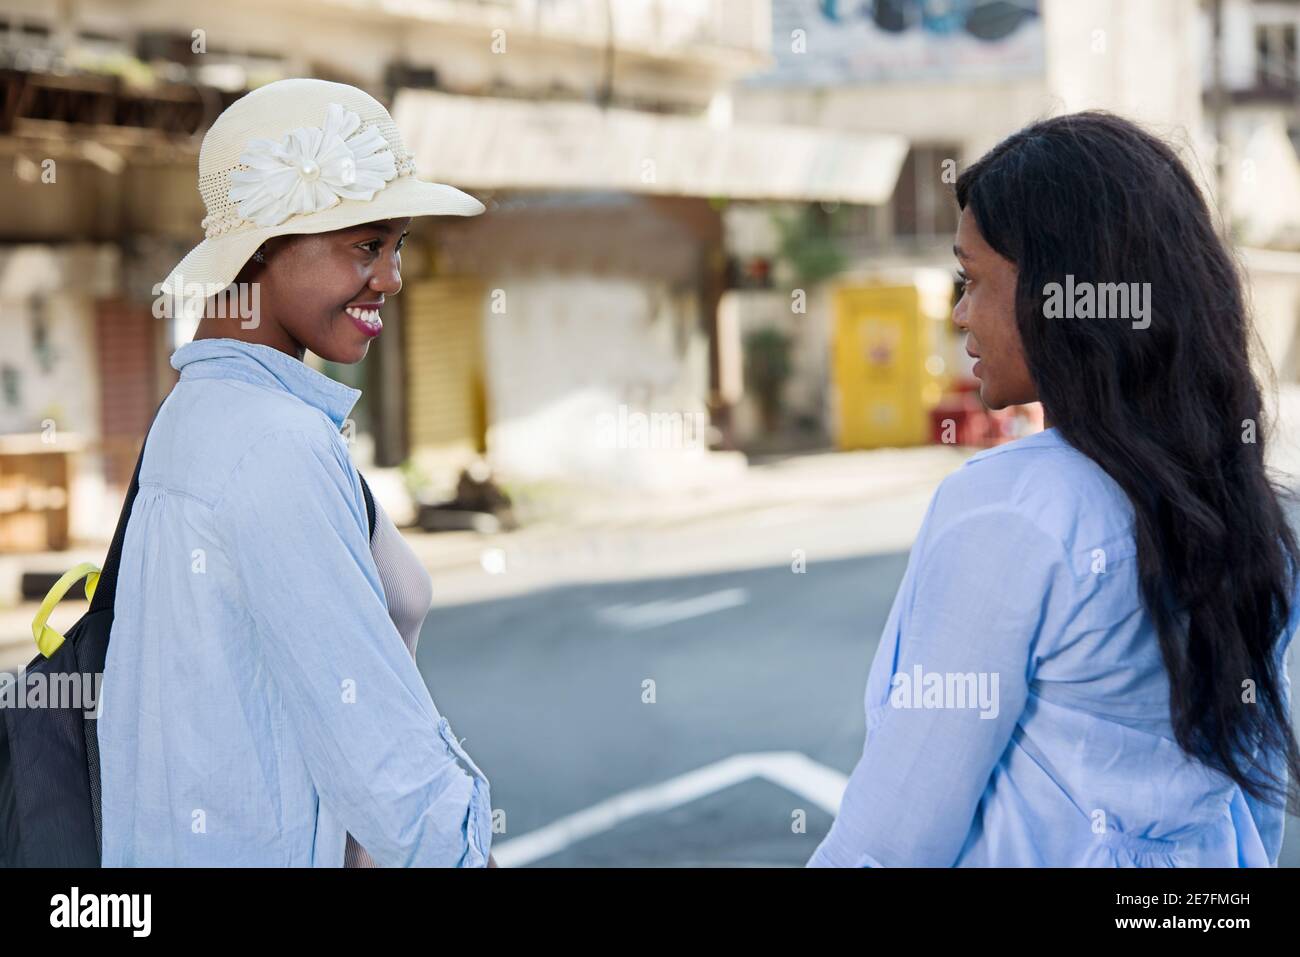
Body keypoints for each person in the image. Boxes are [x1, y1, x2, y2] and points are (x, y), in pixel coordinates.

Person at [809, 111, 1300, 867]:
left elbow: (891, 841)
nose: (959, 313)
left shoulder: (1013, 511)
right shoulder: (1244, 504)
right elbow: (1253, 802)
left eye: (972, 280)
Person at [98, 78, 496, 866]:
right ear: (263, 248)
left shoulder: (197, 411)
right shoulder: (274, 442)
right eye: (365, 245)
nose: (391, 278)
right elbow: (388, 767)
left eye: (397, 246)